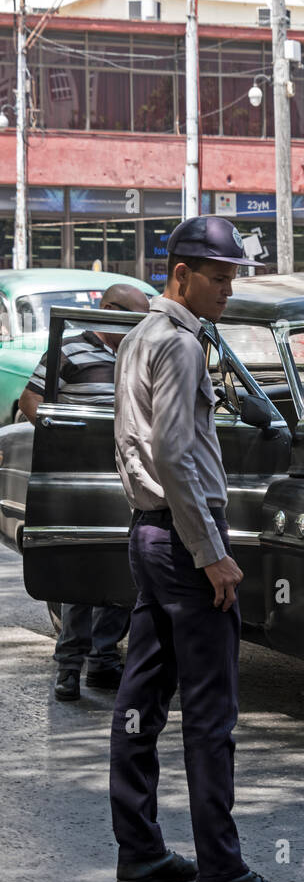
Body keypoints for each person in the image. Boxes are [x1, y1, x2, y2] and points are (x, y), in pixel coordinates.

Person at [108, 216, 301, 882]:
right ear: (180, 275)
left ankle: (140, 852)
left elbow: (136, 447)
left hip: (149, 534)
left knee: (140, 699)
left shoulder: (139, 337)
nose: (226, 289)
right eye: (216, 277)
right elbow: (177, 456)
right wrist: (212, 554)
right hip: (185, 541)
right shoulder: (182, 343)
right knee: (211, 712)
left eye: (230, 278)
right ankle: (221, 871)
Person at [20, 284, 152, 702]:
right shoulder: (70, 350)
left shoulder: (136, 354)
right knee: (81, 576)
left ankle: (104, 660)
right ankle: (70, 666)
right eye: (131, 319)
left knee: (120, 572)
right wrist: (72, 434)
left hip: (126, 480)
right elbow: (31, 401)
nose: (138, 328)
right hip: (80, 479)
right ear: (107, 312)